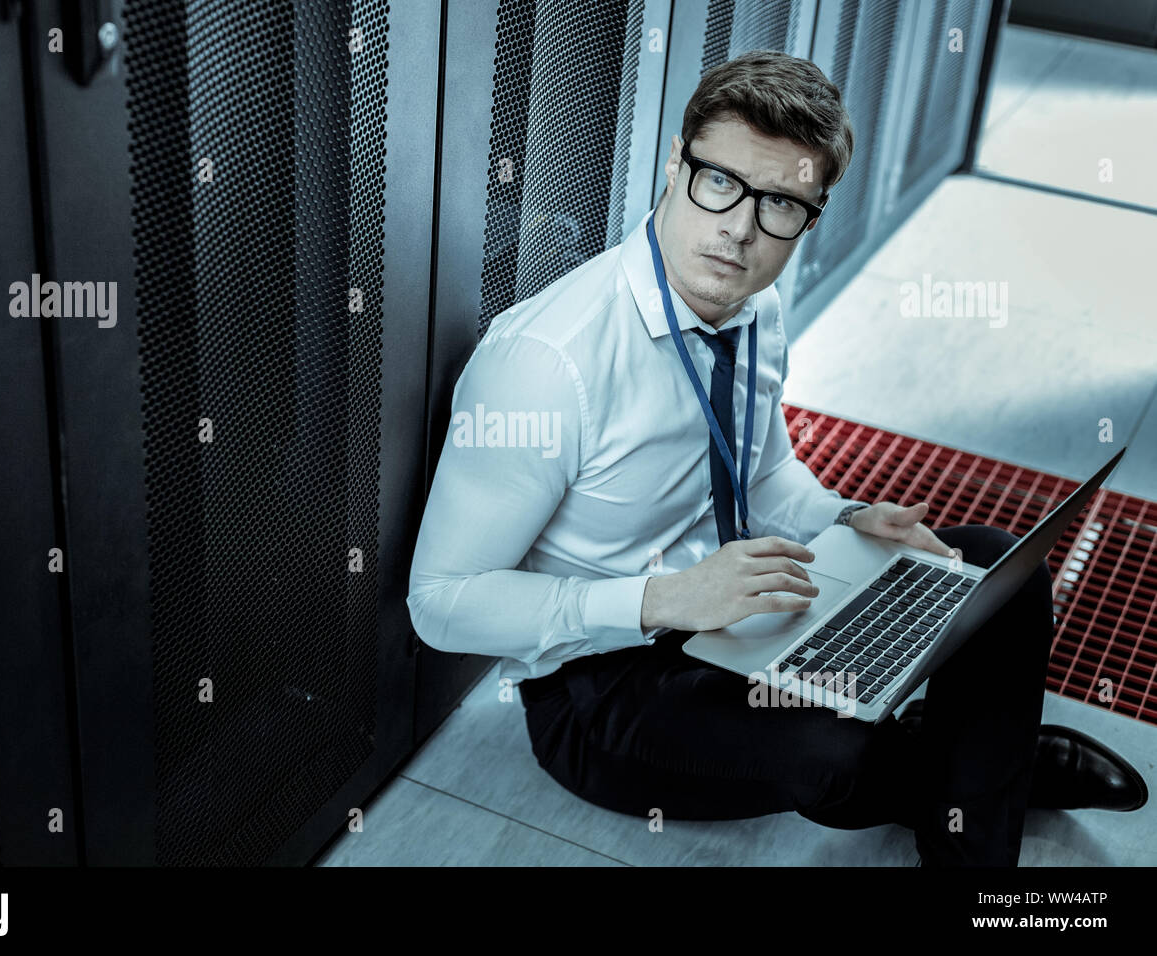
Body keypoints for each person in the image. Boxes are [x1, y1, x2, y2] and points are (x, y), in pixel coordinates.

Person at [406, 50, 1145, 866]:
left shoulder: (758, 307)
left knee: (994, 567)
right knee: (838, 754)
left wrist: (845, 516)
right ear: (675, 166)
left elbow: (763, 475)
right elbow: (441, 604)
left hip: (742, 613)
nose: (740, 230)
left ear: (811, 213)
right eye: (720, 183)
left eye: (781, 205)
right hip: (605, 693)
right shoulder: (548, 362)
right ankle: (996, 763)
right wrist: (663, 599)